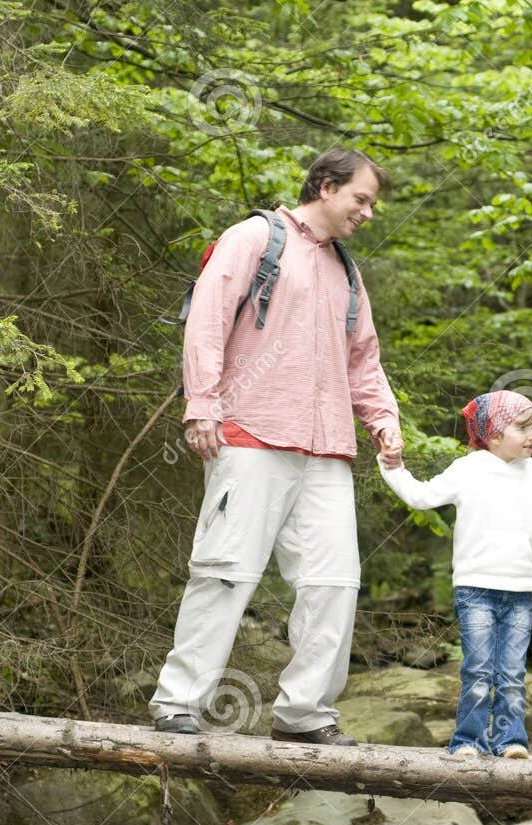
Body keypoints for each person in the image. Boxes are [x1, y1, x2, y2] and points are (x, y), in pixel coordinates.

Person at [150, 148, 403, 745]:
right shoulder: (254, 238)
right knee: (224, 574)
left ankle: (304, 714)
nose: (367, 213)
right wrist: (202, 404)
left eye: (372, 204)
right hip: (250, 433)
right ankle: (179, 705)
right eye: (359, 199)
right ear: (324, 185)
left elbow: (363, 359)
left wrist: (383, 420)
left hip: (328, 448)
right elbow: (207, 320)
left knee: (334, 582)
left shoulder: (348, 272)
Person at [380, 391, 532, 758]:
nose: (531, 435)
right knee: (478, 670)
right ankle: (468, 741)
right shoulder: (468, 469)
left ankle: (510, 741)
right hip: (475, 589)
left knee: (511, 674)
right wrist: (393, 466)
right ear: (493, 435)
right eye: (521, 427)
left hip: (520, 592)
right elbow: (421, 496)